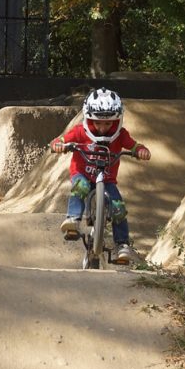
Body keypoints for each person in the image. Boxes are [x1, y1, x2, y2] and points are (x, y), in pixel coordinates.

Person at [49, 88, 151, 264]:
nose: (103, 128)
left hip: (108, 179)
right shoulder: (80, 131)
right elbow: (60, 140)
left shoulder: (120, 135)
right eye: (98, 123)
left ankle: (122, 245)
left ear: (117, 120)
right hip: (82, 174)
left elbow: (134, 146)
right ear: (89, 118)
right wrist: (59, 144)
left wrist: (140, 150)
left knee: (118, 208)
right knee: (80, 187)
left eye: (108, 124)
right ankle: (73, 220)